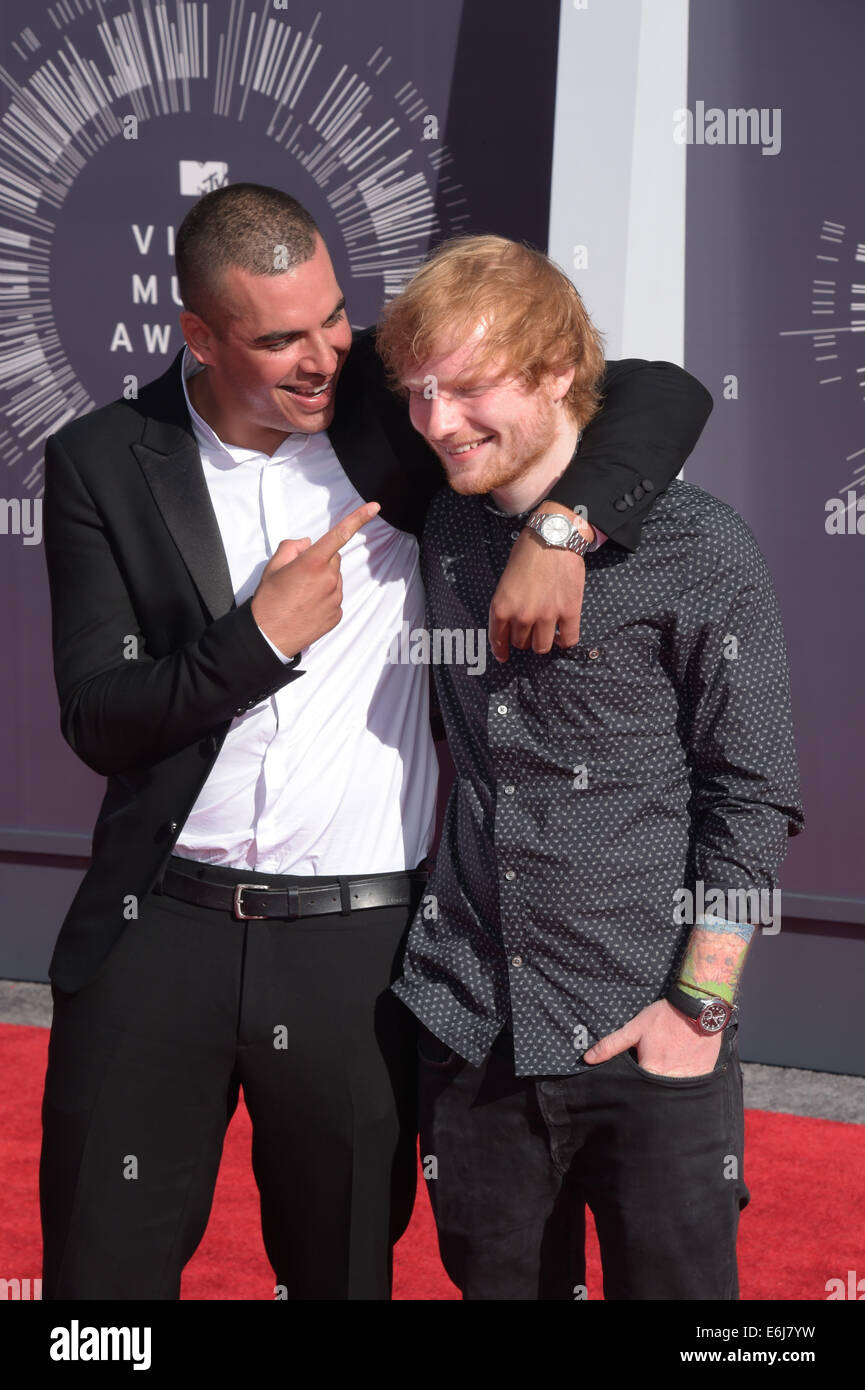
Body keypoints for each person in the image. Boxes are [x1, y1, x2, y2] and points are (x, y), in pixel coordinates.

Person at [40, 185, 713, 1301]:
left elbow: (660, 394)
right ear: (197, 335)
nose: (321, 357)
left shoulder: (387, 413)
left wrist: (559, 528)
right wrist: (258, 638)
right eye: (277, 338)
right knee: (98, 1292)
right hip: (158, 931)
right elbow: (100, 718)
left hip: (354, 948)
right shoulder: (105, 459)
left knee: (344, 1272)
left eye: (333, 318)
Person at [380, 233, 805, 1301]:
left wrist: (696, 1014)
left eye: (470, 388)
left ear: (560, 372)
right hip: (471, 1028)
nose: (436, 423)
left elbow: (751, 798)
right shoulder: (442, 527)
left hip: (645, 1033)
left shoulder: (701, 548)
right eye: (419, 393)